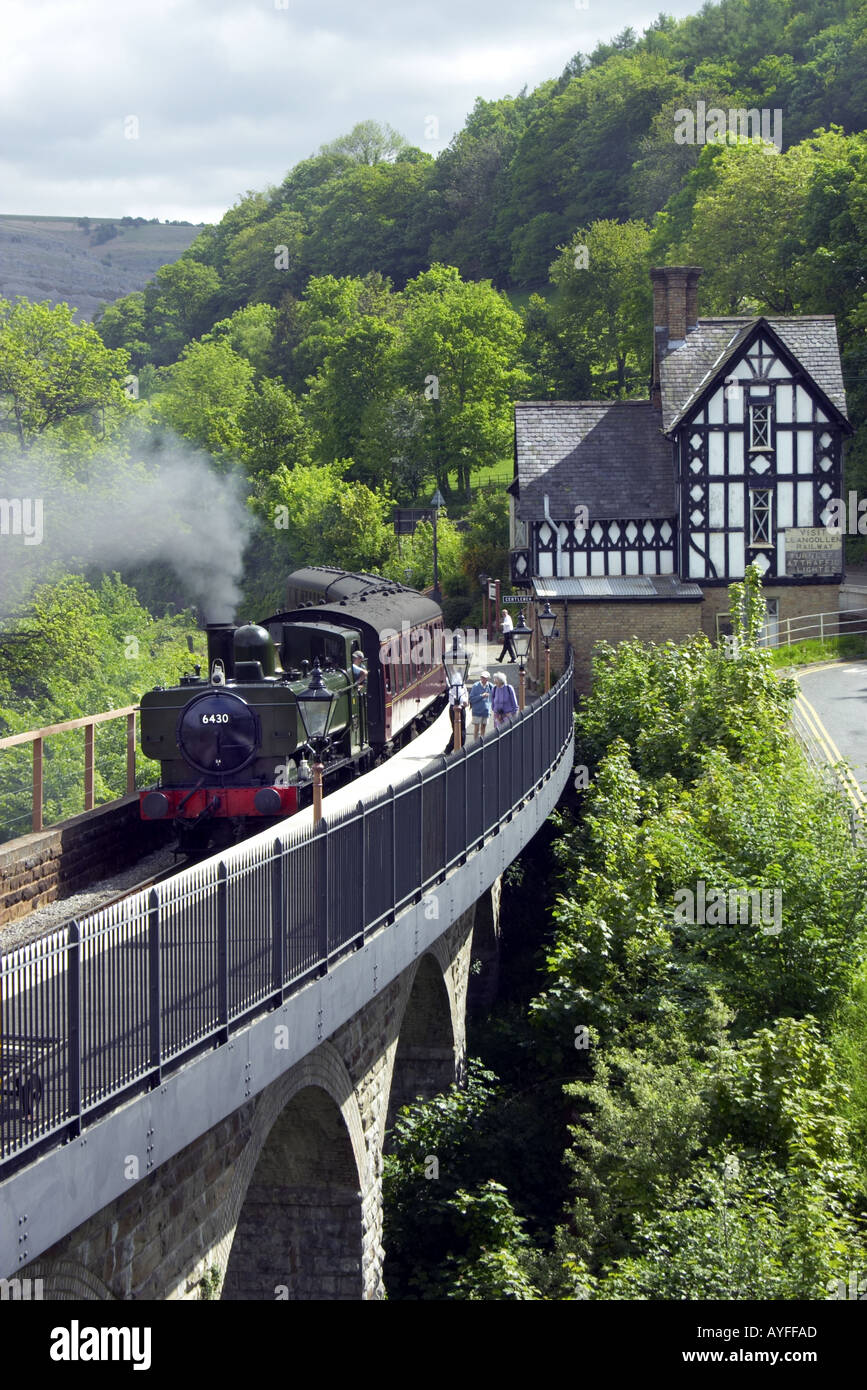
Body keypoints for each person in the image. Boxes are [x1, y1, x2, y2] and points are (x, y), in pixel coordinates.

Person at [468, 670, 493, 739]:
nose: (483, 679)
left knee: (483, 727)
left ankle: (482, 743)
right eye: (482, 677)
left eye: (484, 678)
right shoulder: (476, 686)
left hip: (486, 711)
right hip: (477, 711)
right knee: (476, 728)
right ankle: (475, 744)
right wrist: (481, 696)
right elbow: (471, 699)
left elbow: (494, 696)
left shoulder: (491, 686)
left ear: (488, 678)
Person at [448, 676, 469, 744]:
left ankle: (455, 747)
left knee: (460, 728)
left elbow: (465, 695)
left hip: (460, 708)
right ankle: (451, 748)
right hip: (455, 708)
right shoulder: (455, 685)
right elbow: (455, 695)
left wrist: (466, 702)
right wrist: (464, 701)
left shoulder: (462, 685)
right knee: (457, 729)